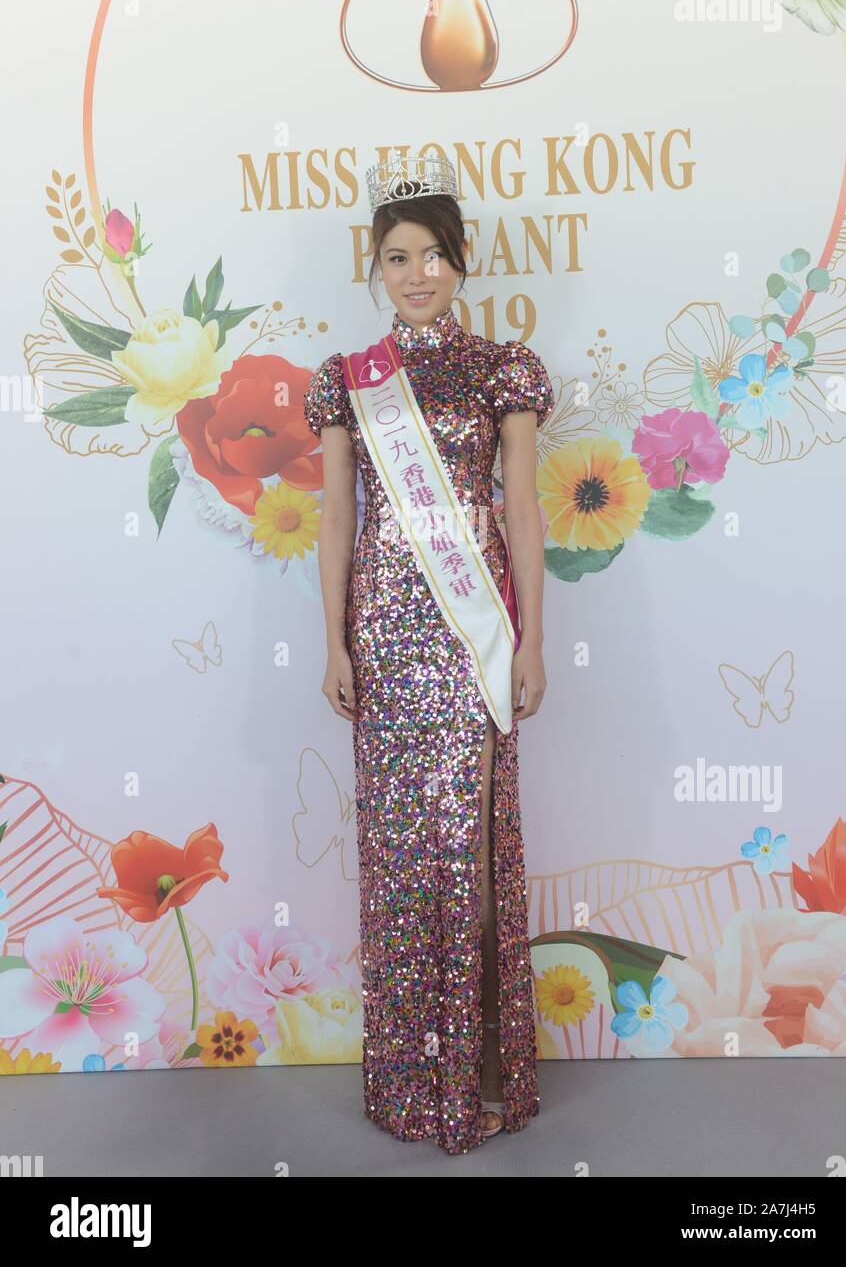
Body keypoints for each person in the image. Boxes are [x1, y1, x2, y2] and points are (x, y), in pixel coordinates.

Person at [303, 151, 554, 1154]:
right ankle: (410, 1082)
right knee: (400, 863)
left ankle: (483, 1077)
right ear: (376, 266)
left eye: (433, 255)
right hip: (383, 639)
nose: (416, 273)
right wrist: (332, 640)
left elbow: (524, 513)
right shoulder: (345, 382)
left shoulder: (503, 369)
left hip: (471, 637)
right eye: (397, 257)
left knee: (472, 848)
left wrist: (530, 640)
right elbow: (334, 522)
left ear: (461, 261)